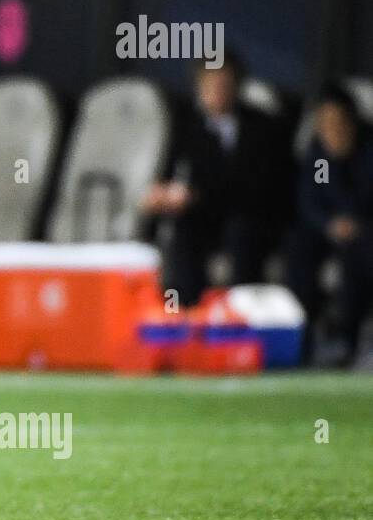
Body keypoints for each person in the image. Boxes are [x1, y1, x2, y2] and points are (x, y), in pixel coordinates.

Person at [142, 53, 291, 306]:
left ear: (237, 86)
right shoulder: (189, 126)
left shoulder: (263, 128)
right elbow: (169, 171)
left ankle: (241, 315)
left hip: (251, 217)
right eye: (210, 85)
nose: (217, 92)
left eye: (224, 85)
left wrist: (196, 196)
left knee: (241, 232)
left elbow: (260, 188)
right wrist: (162, 193)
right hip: (205, 216)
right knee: (184, 229)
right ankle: (188, 311)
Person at [286, 85, 373, 365]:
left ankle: (348, 339)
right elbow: (309, 202)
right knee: (299, 248)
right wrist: (329, 223)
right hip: (328, 231)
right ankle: (302, 337)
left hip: (364, 232)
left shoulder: (368, 152)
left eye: (339, 123)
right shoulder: (319, 157)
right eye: (326, 124)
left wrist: (354, 223)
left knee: (358, 252)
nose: (333, 131)